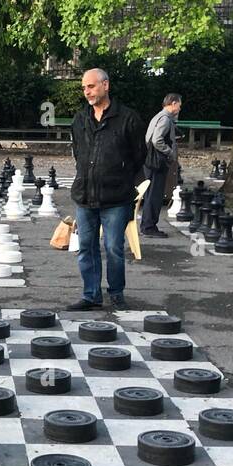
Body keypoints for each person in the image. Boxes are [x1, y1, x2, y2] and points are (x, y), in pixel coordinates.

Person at [67, 67, 146, 310]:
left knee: (113, 248)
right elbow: (78, 151)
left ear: (105, 85)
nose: (86, 92)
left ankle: (116, 293)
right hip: (85, 194)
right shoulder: (80, 119)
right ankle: (91, 294)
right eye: (83, 88)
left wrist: (120, 177)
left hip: (116, 197)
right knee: (86, 248)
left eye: (90, 86)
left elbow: (139, 155)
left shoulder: (128, 118)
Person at [139, 93, 180, 239]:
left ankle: (147, 225)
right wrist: (169, 152)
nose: (179, 108)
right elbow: (157, 140)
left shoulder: (158, 117)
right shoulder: (165, 119)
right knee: (155, 195)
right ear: (173, 103)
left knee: (151, 193)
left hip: (150, 161)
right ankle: (149, 227)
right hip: (157, 162)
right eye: (179, 105)